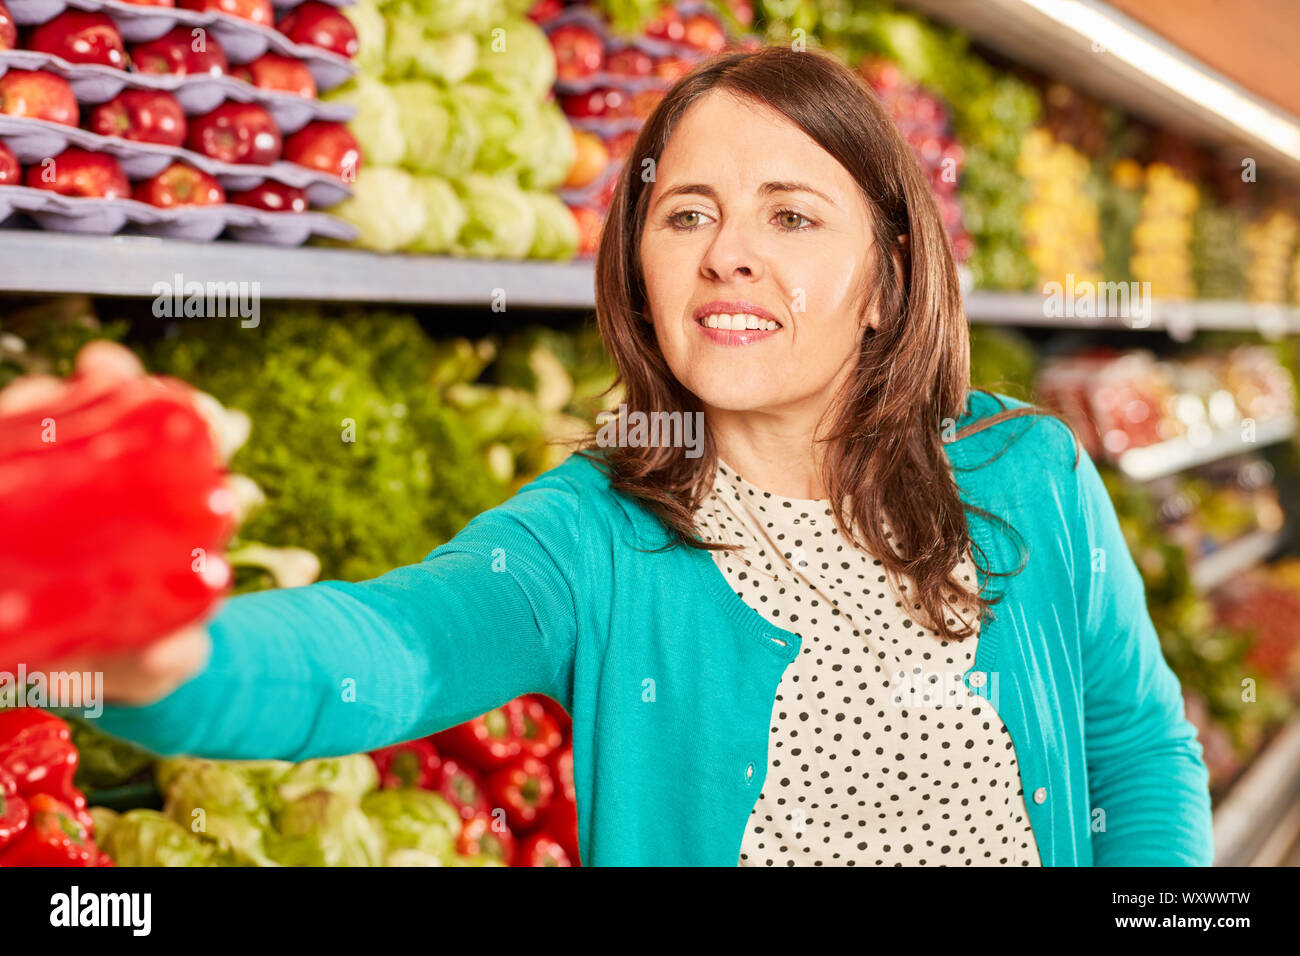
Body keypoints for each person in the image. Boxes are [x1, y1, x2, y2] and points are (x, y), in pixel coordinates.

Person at [10, 44, 1213, 866]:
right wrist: (165, 654)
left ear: (888, 277)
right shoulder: (593, 536)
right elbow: (381, 651)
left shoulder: (1027, 476)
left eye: (790, 215)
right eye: (684, 213)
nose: (726, 253)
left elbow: (1139, 743)